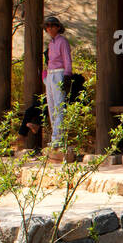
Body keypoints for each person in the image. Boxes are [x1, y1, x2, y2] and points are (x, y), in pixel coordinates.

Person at [43, 15, 72, 148]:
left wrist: (67, 75)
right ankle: (55, 136)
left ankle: (59, 137)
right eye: (47, 26)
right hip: (50, 74)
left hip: (59, 73)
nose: (49, 28)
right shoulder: (51, 43)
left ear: (58, 27)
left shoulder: (62, 41)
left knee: (59, 105)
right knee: (51, 105)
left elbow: (67, 59)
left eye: (51, 25)